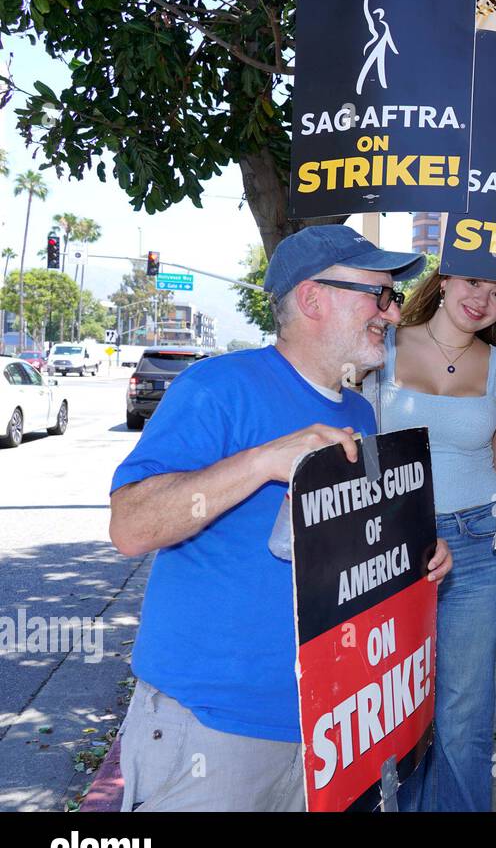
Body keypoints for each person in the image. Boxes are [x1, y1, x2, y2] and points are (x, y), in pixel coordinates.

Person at [108, 224, 452, 811]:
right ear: (313, 298)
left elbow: (343, 557)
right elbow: (131, 527)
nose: (392, 314)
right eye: (380, 295)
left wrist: (412, 559)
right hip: (217, 733)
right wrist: (263, 460)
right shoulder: (216, 388)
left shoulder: (360, 414)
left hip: (332, 731)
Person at [373, 270, 496, 812]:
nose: (483, 299)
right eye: (473, 282)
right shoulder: (378, 346)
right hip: (391, 545)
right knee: (394, 706)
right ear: (445, 280)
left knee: (464, 712)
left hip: (477, 547)